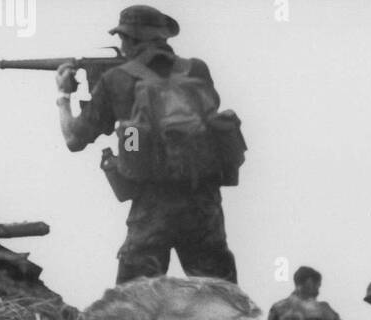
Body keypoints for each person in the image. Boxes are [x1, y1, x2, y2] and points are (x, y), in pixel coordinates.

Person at [55, 6, 238, 284]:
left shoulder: (116, 80)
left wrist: (64, 95)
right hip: (204, 202)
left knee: (134, 302)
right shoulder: (197, 70)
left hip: (153, 206)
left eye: (123, 38)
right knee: (222, 296)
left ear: (130, 40)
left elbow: (73, 139)